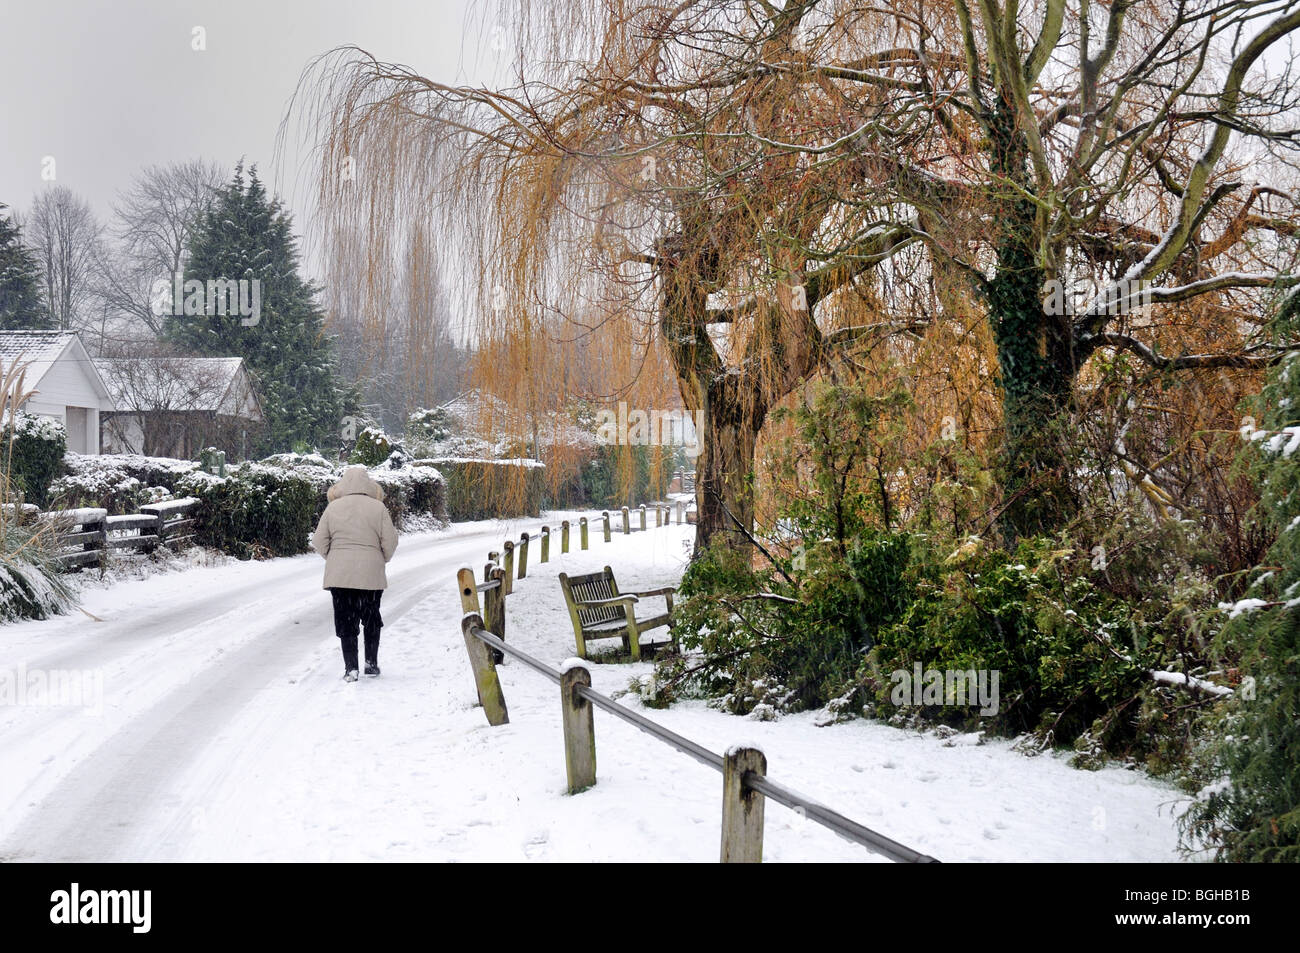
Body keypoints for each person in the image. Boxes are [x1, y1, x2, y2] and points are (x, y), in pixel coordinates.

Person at [312, 466, 398, 681]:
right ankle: (371, 663)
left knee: (345, 620)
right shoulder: (378, 508)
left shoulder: (333, 508)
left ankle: (351, 667)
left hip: (340, 576)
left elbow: (318, 541)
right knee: (371, 618)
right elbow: (390, 540)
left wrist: (334, 558)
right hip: (371, 574)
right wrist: (381, 559)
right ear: (368, 485)